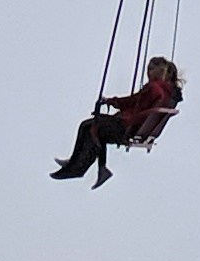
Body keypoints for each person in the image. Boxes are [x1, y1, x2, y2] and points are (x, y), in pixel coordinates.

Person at [52, 56, 183, 185]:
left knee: (90, 126)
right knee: (94, 127)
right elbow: (137, 104)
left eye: (151, 69)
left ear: (160, 71)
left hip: (128, 126)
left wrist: (111, 101)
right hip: (135, 127)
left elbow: (132, 101)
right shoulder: (168, 92)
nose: (148, 73)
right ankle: (88, 167)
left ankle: (77, 167)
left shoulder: (154, 88)